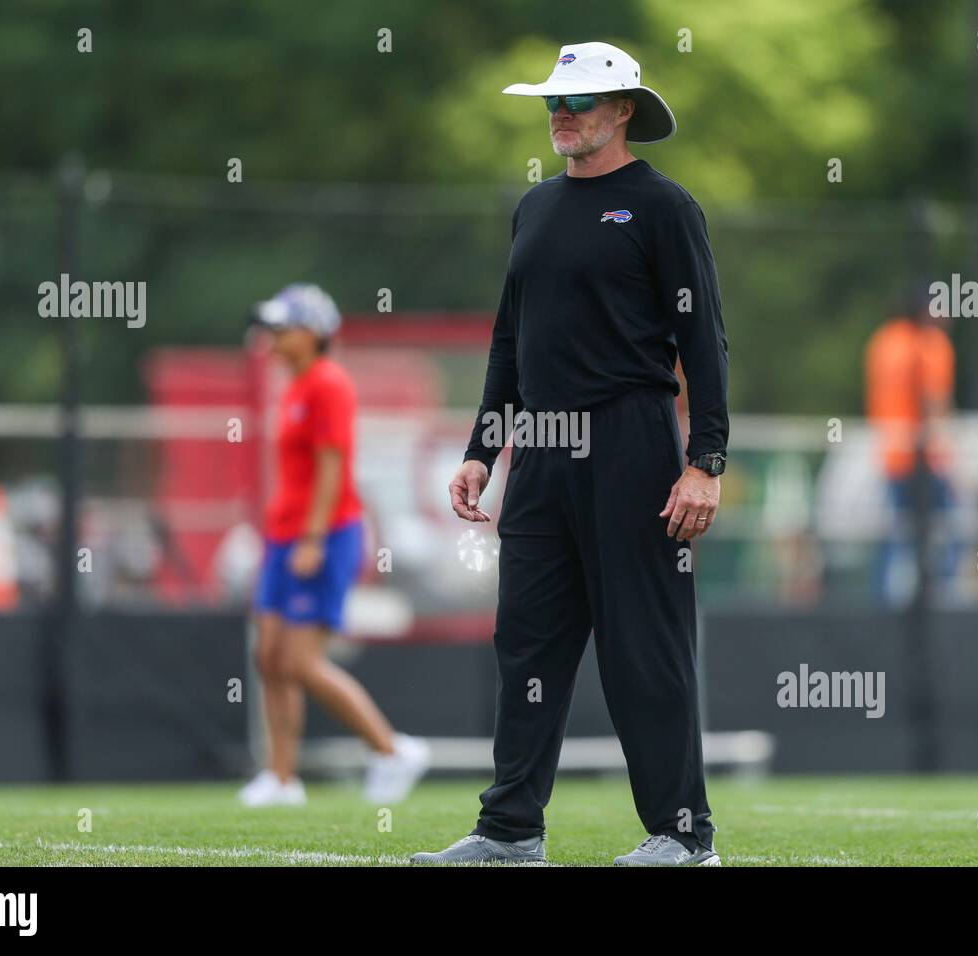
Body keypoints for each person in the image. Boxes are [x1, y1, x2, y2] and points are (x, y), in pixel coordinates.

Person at [412, 42, 729, 866]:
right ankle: (510, 831)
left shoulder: (664, 207)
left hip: (633, 443)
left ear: (623, 109)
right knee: (527, 644)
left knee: (644, 649)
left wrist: (706, 462)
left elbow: (706, 342)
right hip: (543, 455)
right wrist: (484, 447)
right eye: (554, 101)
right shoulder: (534, 208)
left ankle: (684, 836)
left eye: (580, 101)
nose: (561, 114)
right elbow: (510, 340)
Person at [238, 283, 429, 807]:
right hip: (284, 538)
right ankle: (280, 779)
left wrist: (313, 537)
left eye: (283, 327)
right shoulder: (294, 385)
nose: (272, 337)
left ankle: (392, 750)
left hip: (320, 536)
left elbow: (332, 467)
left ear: (314, 332)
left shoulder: (328, 384)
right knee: (269, 657)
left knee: (299, 660)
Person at [864, 290, 958, 606]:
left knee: (894, 533)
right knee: (948, 529)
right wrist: (949, 457)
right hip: (925, 457)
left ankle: (883, 604)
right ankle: (940, 596)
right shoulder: (931, 344)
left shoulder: (884, 342)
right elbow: (934, 402)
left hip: (891, 454)